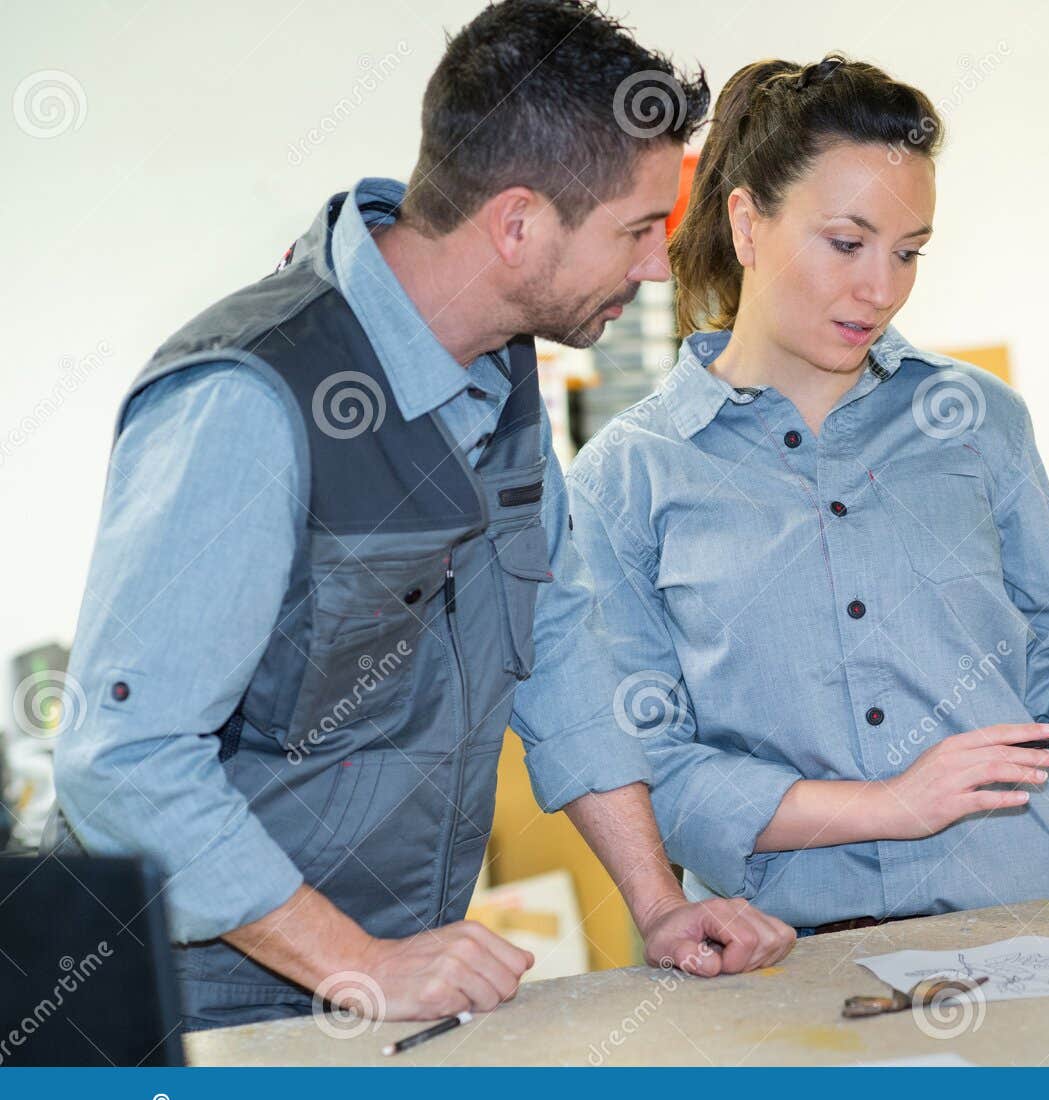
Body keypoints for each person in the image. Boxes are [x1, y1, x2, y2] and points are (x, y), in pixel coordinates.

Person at [49, 0, 794, 1030]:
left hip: (366, 987)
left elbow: (560, 639)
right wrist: (360, 961)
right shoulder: (251, 398)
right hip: (183, 1003)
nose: (657, 266)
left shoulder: (501, 373)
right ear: (519, 222)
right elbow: (120, 760)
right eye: (635, 230)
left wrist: (659, 901)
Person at [566, 56, 1049, 935]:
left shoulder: (976, 422)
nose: (881, 289)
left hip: (1022, 933)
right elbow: (649, 765)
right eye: (847, 244)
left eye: (909, 252)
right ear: (747, 222)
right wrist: (891, 804)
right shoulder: (627, 478)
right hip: (780, 962)